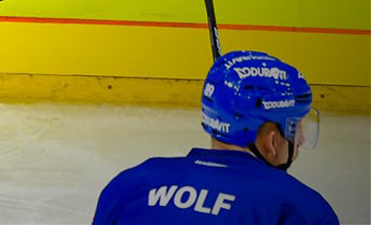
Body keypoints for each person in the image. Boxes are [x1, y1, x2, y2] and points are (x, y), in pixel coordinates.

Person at [92, 50, 337, 224]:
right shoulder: (299, 209)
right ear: (270, 141)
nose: (301, 140)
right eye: (295, 126)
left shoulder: (129, 185)